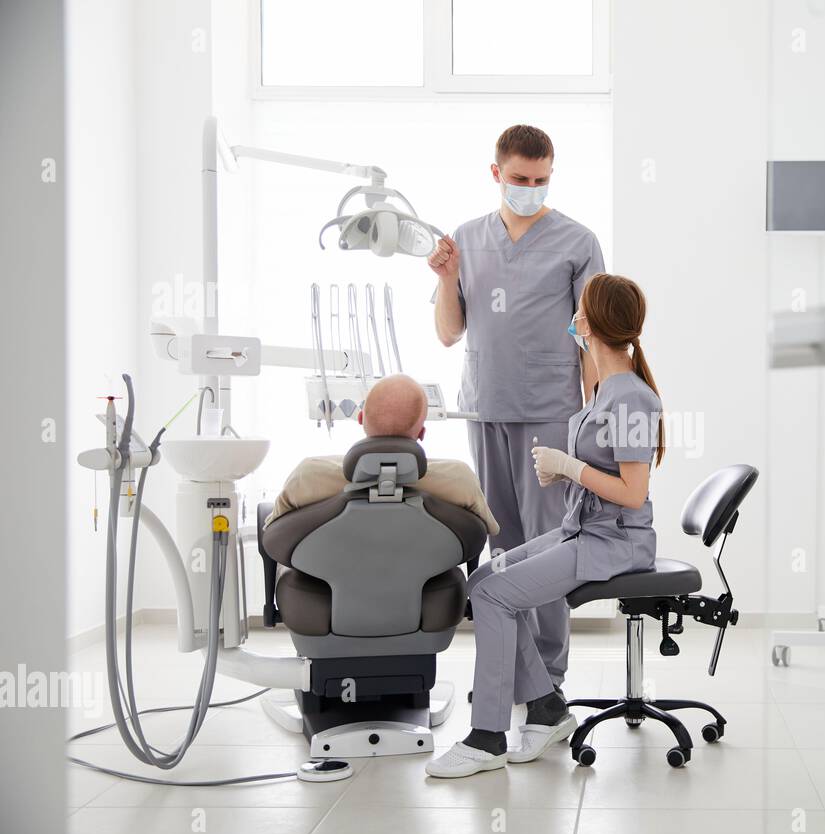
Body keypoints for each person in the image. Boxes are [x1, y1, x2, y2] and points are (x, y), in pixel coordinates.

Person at [424, 274, 664, 778]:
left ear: (590, 324)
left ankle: (487, 737)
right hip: (585, 530)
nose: (572, 318)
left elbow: (633, 493)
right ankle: (547, 707)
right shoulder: (604, 390)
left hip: (617, 542)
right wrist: (562, 470)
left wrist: (570, 467)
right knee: (483, 582)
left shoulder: (632, 398)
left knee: (495, 597)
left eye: (579, 311)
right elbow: (604, 472)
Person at [427, 124, 604, 696]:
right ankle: (509, 673)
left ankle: (548, 678)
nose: (530, 189)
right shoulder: (465, 240)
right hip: (485, 407)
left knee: (548, 542)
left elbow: (593, 339)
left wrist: (595, 415)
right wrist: (447, 278)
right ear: (496, 173)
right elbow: (449, 333)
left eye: (541, 180)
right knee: (501, 542)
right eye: (520, 178)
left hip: (550, 409)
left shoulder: (577, 242)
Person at [264, 374, 497, 534]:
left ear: (360, 418)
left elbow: (272, 530)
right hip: (428, 587)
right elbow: (488, 529)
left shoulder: (308, 475)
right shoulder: (459, 479)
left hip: (323, 588)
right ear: (422, 433)